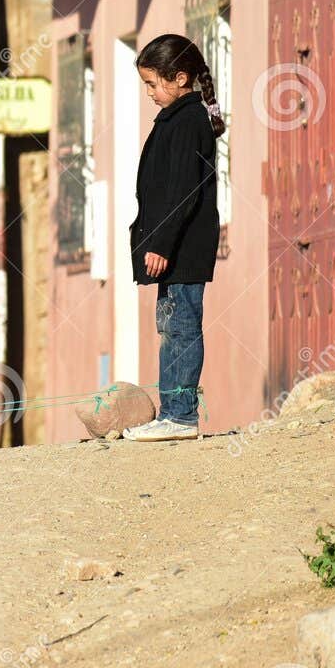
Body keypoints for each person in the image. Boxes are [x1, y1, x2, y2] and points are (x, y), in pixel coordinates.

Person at [121, 33, 225, 443]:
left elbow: (183, 189)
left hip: (183, 246)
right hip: (171, 246)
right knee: (170, 325)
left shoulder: (188, 120)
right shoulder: (174, 118)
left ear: (180, 78)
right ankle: (171, 413)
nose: (149, 93)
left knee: (182, 326)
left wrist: (161, 243)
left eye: (152, 83)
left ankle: (181, 416)